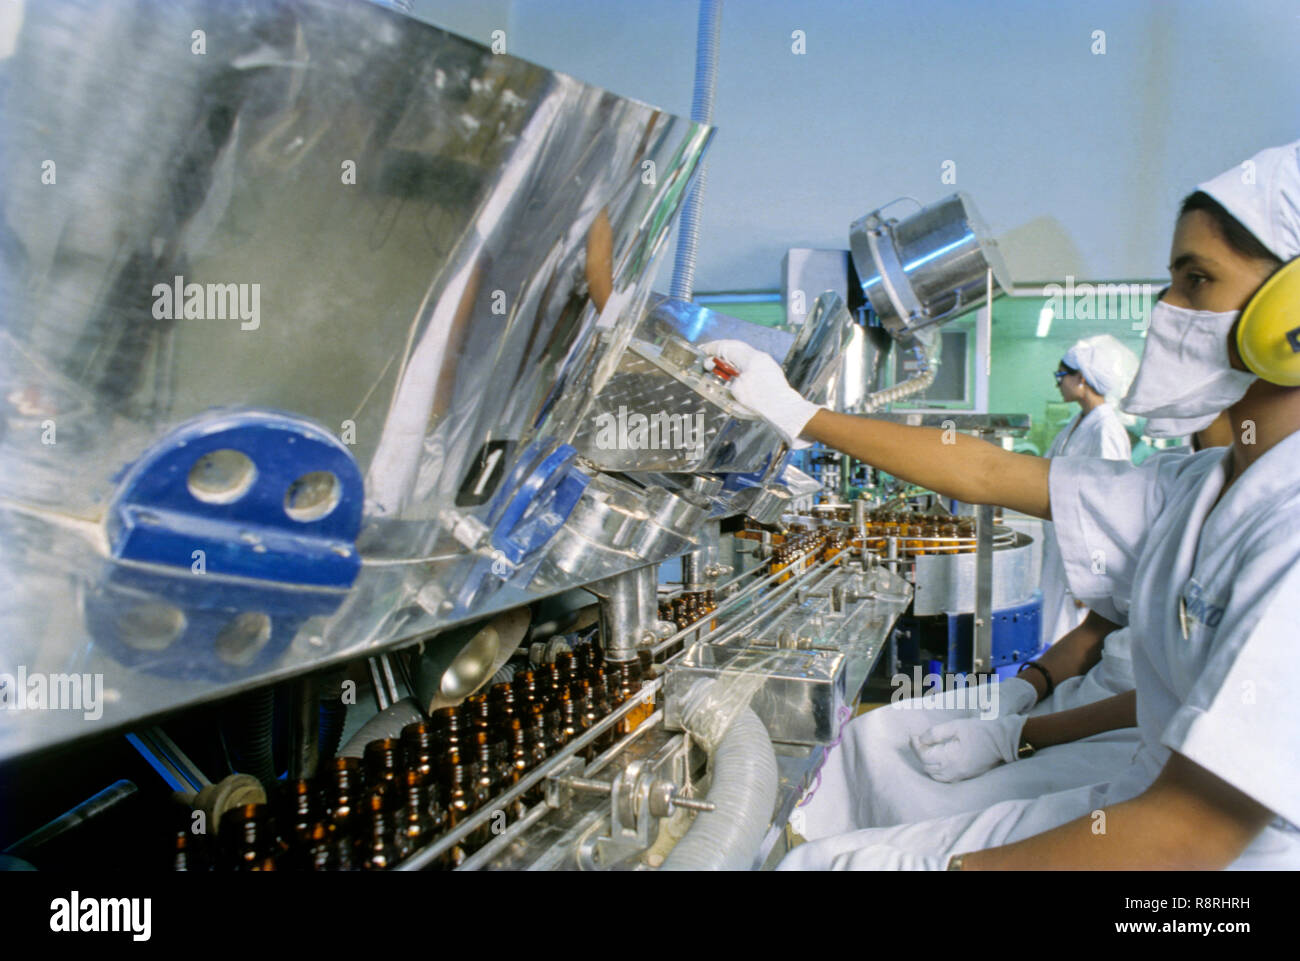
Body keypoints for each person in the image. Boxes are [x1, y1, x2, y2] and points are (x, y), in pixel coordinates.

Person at [705, 138, 1300, 869]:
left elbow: (1191, 832)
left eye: (1196, 280)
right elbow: (986, 471)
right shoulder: (1196, 486)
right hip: (1139, 798)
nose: (1166, 308)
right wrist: (798, 414)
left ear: (1291, 318)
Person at [1039, 335, 1136, 647]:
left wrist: (1096, 579)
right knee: (1054, 635)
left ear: (1081, 379)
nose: (1057, 385)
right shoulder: (1078, 424)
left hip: (1086, 559)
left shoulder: (1105, 429)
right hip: (1064, 550)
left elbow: (1110, 505)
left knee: (1075, 642)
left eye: (1060, 376)